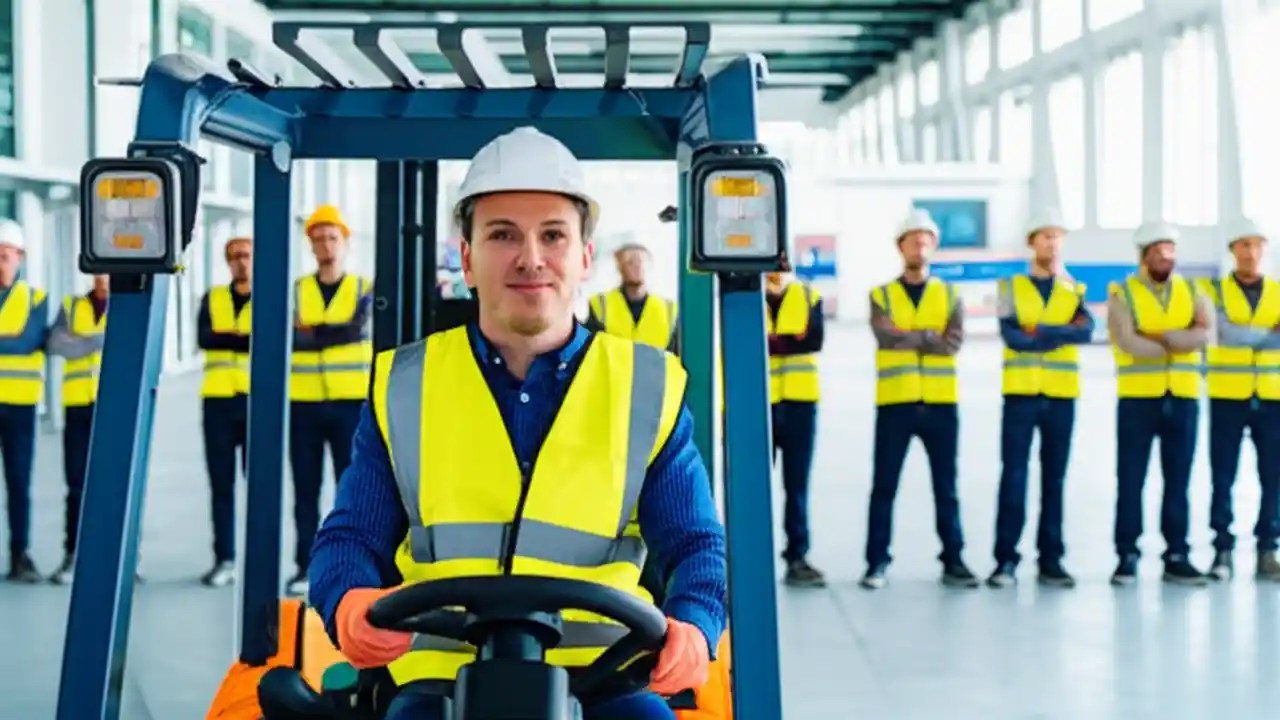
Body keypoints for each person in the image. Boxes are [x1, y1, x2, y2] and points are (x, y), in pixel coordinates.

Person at [306, 127, 727, 720]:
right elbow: (350, 538)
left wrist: (696, 621)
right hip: (440, 678)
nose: (531, 258)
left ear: (584, 257)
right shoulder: (406, 385)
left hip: (602, 678)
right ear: (468, 258)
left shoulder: (647, 387)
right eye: (503, 235)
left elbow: (696, 544)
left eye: (552, 235)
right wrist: (348, 602)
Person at [861, 209, 976, 590]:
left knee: (946, 487)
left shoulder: (950, 294)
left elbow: (952, 343)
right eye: (913, 239)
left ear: (934, 246)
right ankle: (876, 563)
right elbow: (886, 337)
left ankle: (954, 561)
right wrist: (930, 335)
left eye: (925, 239)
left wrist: (912, 334)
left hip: (941, 405)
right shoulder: (882, 295)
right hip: (896, 403)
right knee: (884, 486)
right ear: (901, 246)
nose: (919, 245)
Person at [986, 210, 1094, 589]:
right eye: (1045, 236)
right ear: (1031, 242)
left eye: (1057, 237)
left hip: (1061, 397)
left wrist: (1040, 330)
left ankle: (1052, 561)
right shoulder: (1009, 288)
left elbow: (1086, 333)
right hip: (1020, 396)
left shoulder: (1074, 290)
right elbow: (1013, 337)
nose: (1052, 242)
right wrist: (1060, 332)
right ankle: (1005, 561)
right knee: (1014, 477)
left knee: (1055, 480)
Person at [1107, 221, 1213, 586]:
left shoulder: (1194, 290)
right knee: (1131, 480)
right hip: (1138, 401)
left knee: (1178, 481)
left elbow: (1204, 336)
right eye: (1157, 251)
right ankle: (1126, 554)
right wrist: (1177, 339)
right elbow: (1127, 341)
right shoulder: (1123, 293)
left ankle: (1177, 554)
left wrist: (1160, 336)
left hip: (1182, 399)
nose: (1165, 256)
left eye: (1169, 250)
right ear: (1144, 254)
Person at [287, 205, 374, 596]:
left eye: (332, 236)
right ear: (310, 244)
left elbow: (356, 330)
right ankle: (305, 566)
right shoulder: (296, 291)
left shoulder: (364, 289)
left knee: (352, 489)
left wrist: (314, 332)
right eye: (318, 237)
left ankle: (350, 571)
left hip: (350, 403)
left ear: (346, 241)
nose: (325, 244)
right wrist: (334, 331)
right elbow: (293, 338)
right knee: (305, 489)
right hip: (303, 403)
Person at [1198, 219, 1280, 582]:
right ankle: (1222, 549)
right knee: (1222, 475)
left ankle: (1268, 550)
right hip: (1227, 396)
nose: (1250, 252)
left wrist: (1244, 335)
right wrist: (1269, 334)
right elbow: (1223, 336)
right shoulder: (1212, 291)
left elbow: (1236, 333)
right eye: (1243, 245)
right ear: (1232, 250)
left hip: (1273, 398)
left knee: (1273, 477)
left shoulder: (1277, 291)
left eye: (1256, 245)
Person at [196, 236, 253, 587]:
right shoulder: (212, 298)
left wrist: (227, 334)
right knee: (221, 485)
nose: (241, 262)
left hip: (253, 400)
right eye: (234, 257)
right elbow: (205, 338)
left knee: (258, 485)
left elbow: (262, 339)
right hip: (217, 402)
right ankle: (224, 558)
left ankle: (258, 560)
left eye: (246, 255)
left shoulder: (270, 296)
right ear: (226, 262)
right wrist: (241, 336)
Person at [46, 273, 110, 584]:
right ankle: (73, 555)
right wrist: (99, 341)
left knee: (117, 483)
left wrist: (80, 341)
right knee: (76, 486)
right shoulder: (71, 306)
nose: (103, 277)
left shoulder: (131, 306)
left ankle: (126, 557)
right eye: (99, 270)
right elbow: (57, 343)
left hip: (114, 408)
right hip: (77, 406)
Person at [765, 263, 826, 587]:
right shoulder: (744, 296)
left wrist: (769, 341)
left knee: (797, 485)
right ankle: (752, 557)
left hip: (801, 402)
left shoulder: (809, 295)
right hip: (757, 404)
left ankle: (797, 556)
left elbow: (813, 341)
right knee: (753, 488)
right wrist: (791, 339)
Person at [0, 220, 48, 583]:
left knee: (19, 482)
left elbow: (27, 341)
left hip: (19, 405)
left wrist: (12, 340)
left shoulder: (36, 299)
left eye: (5, 256)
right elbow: (12, 341)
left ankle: (20, 554)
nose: (0, 262)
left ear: (20, 257)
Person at [586, 242, 679, 353]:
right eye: (630, 262)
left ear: (650, 264)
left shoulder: (669, 310)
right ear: (619, 265)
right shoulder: (600, 305)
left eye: (640, 261)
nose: (637, 266)